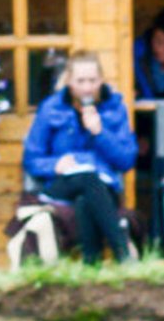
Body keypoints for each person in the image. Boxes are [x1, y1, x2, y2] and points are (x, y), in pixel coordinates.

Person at [21, 51, 139, 265]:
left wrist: (100, 133)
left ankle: (90, 264)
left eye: (92, 81)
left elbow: (127, 160)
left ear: (102, 80)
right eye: (80, 81)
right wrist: (54, 164)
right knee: (86, 177)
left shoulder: (114, 108)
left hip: (103, 186)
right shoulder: (51, 109)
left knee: (86, 198)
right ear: (69, 82)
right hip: (62, 184)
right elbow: (31, 159)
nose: (87, 88)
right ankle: (123, 252)